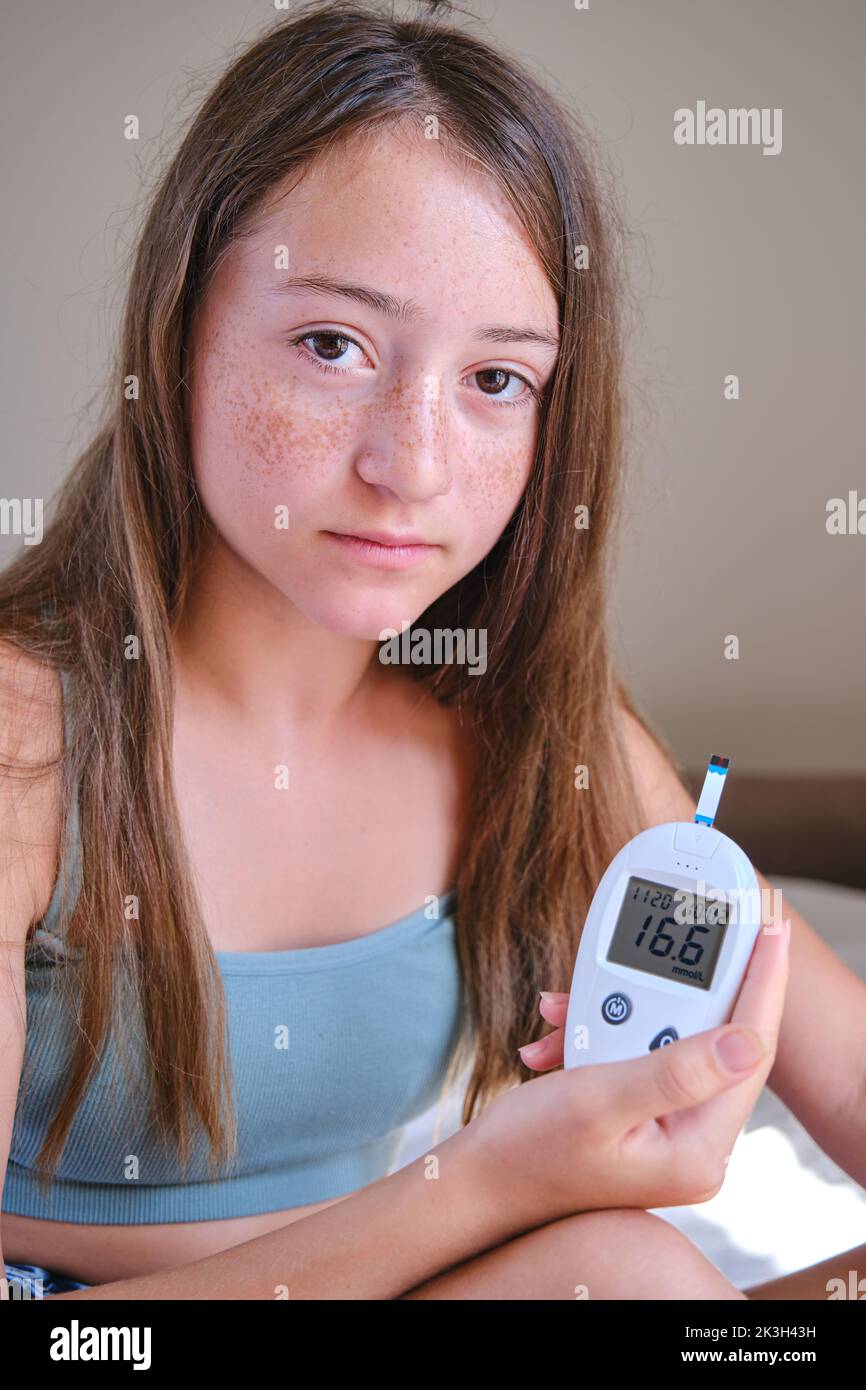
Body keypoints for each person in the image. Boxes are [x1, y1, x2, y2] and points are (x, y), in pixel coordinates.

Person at [1, 0, 864, 1301]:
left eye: (496, 380)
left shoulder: (536, 730)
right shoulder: (24, 736)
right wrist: (490, 1183)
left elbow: (842, 1072)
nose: (409, 464)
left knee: (628, 1272)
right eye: (333, 346)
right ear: (176, 333)